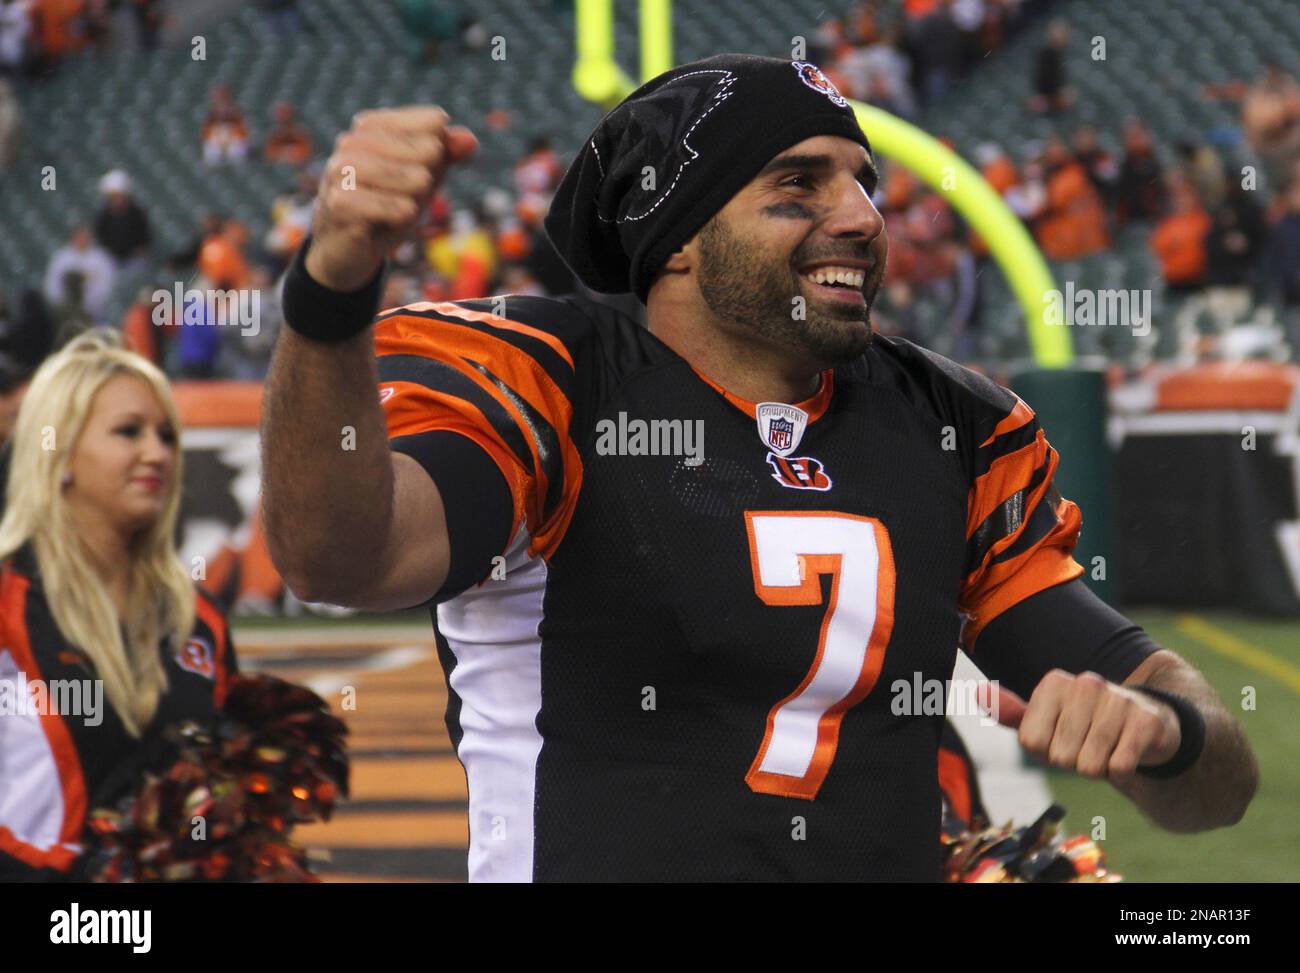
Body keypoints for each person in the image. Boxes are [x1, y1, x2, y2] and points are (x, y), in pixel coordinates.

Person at [261, 54, 1258, 882]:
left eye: (861, 178)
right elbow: (336, 557)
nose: (864, 215)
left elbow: (1216, 783)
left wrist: (1164, 730)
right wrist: (333, 290)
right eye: (798, 185)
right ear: (681, 241)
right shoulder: (558, 383)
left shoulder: (947, 422)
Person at [0, 329, 237, 878]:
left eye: (166, 435)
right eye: (128, 432)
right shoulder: (8, 607)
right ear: (58, 452)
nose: (156, 453)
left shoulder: (198, 619)